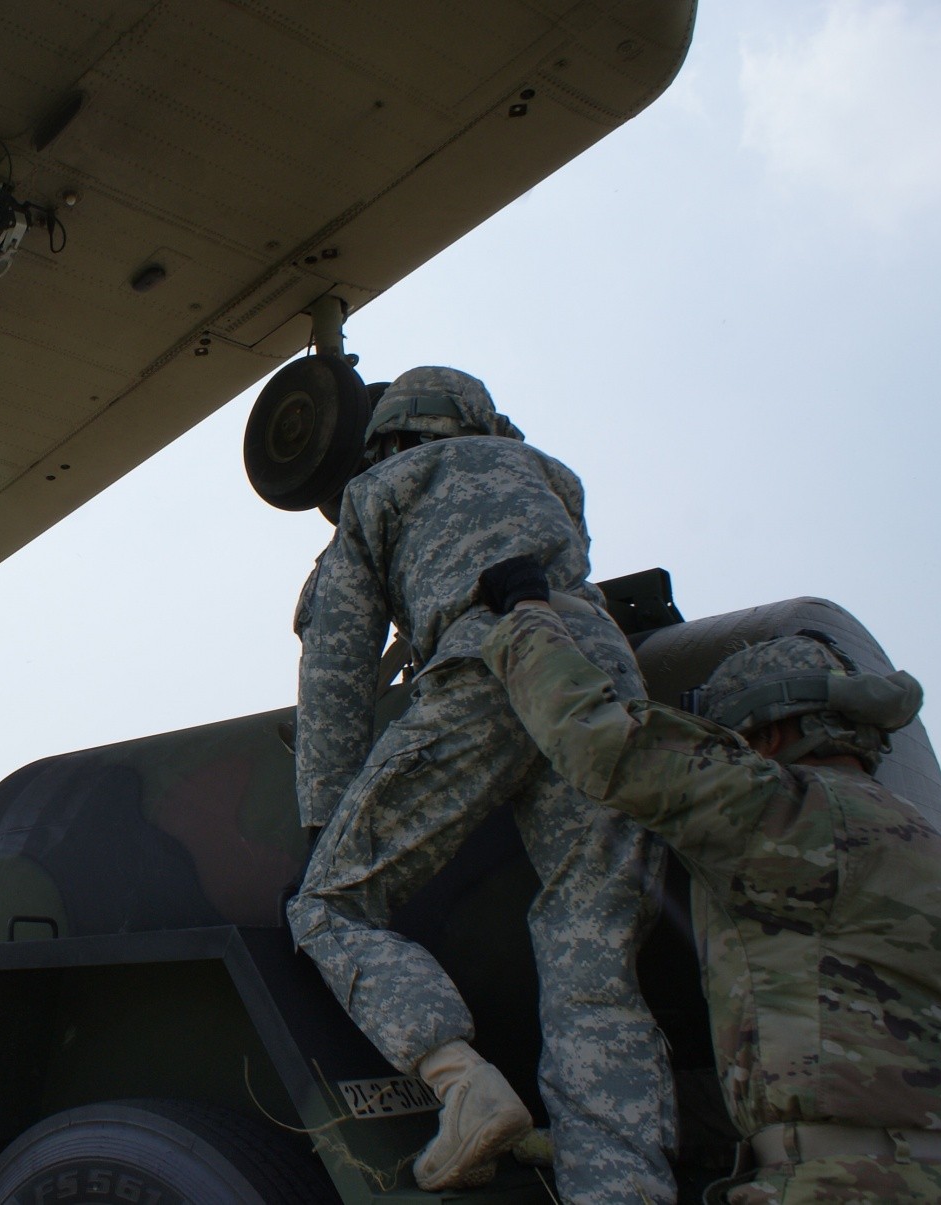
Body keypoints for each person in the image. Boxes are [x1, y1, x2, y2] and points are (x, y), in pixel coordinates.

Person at [286, 366, 674, 1198]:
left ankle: (465, 1086)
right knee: (594, 962)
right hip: (601, 678)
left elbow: (338, 663)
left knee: (327, 904)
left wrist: (326, 816)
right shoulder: (549, 475)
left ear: (387, 437)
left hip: (484, 666)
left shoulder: (380, 489)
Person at [477, 556, 941, 1204]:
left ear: (774, 732)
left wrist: (526, 612)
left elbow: (599, 742)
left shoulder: (779, 811)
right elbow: (844, 1060)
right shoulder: (922, 844)